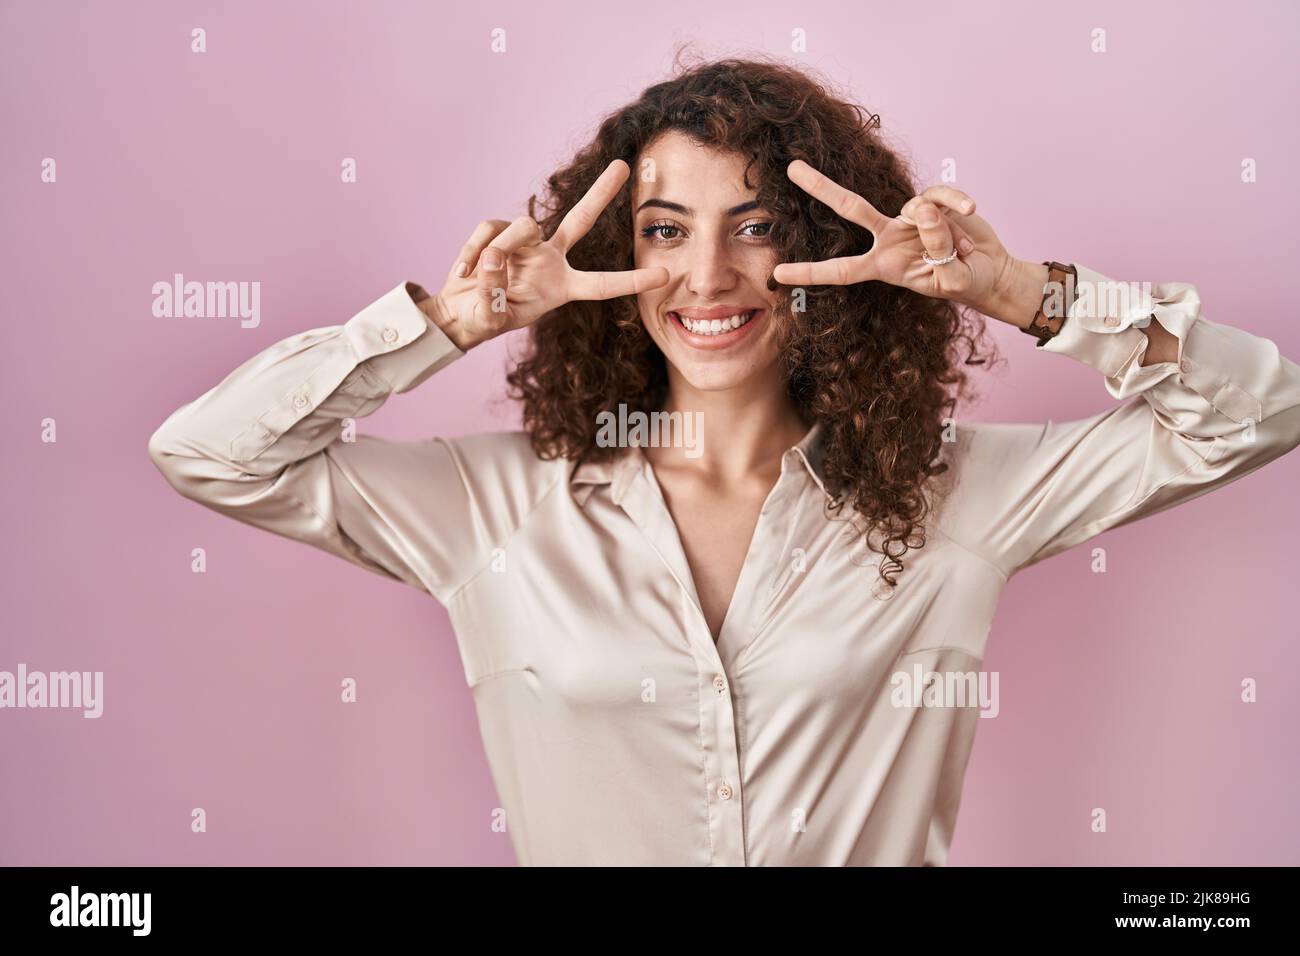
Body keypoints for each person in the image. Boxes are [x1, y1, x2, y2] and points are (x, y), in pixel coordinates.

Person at [147, 57, 1300, 866]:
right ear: (615, 251)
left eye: (756, 226)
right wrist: (445, 326)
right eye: (663, 229)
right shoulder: (492, 507)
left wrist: (1020, 292)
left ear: (826, 249)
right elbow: (210, 451)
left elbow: (1256, 412)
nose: (707, 275)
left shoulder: (960, 497)